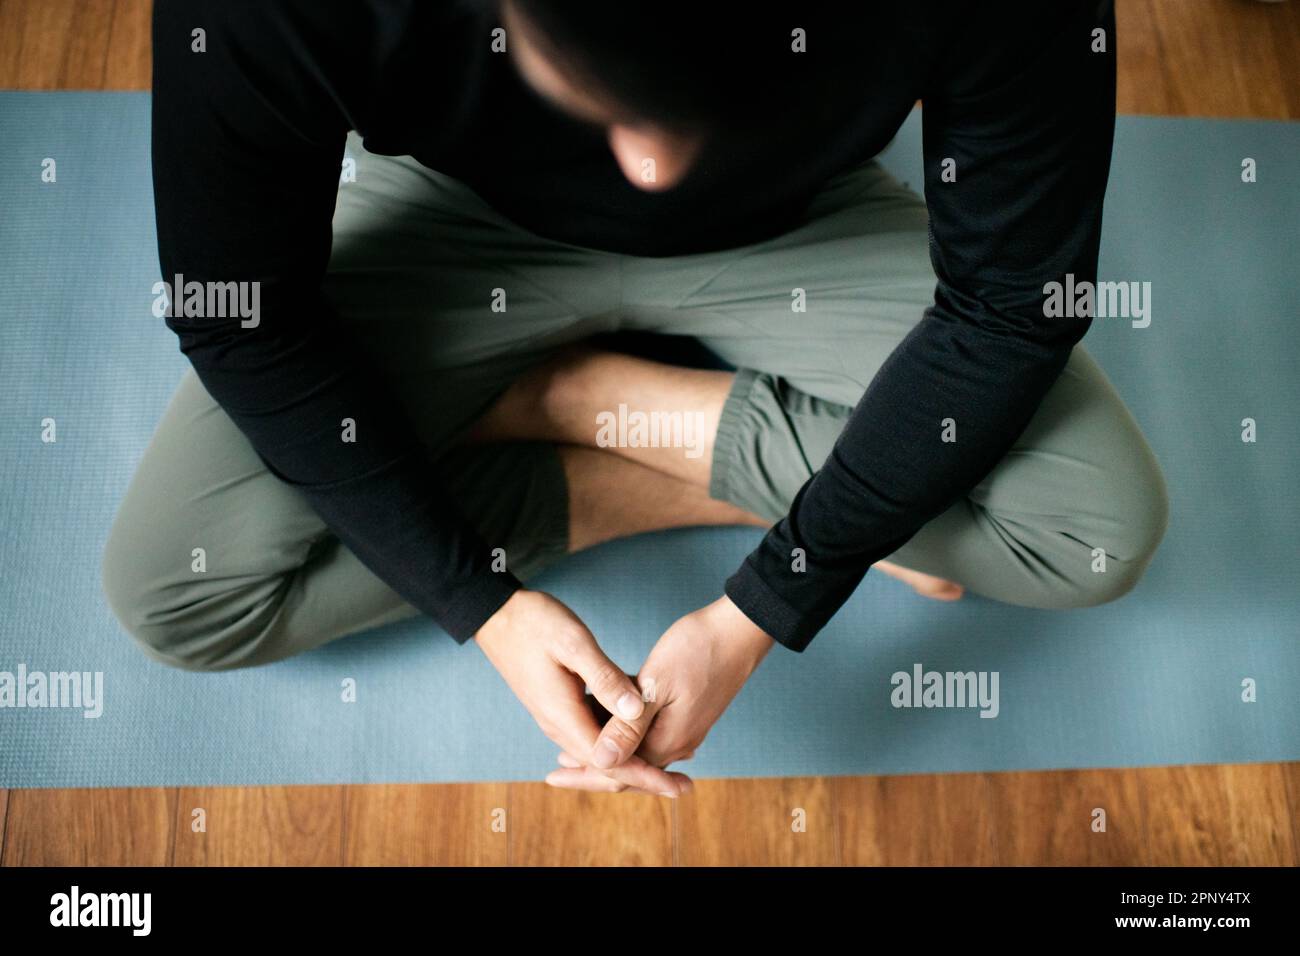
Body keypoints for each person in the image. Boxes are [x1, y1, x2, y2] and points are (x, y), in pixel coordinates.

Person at [103, 0, 1168, 797]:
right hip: (452, 227)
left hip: (796, 232)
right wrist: (484, 603)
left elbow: (1009, 312)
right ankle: (639, 472)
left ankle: (569, 399)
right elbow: (241, 316)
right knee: (174, 590)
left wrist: (770, 597)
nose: (651, 167)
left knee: (1091, 533)